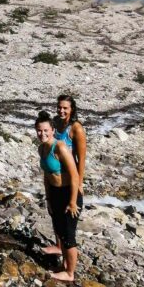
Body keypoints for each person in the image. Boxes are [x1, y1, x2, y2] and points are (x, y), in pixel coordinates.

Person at [35, 110, 82, 281]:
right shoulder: (41, 149)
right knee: (60, 232)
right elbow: (47, 176)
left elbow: (75, 174)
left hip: (69, 193)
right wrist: (48, 199)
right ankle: (64, 266)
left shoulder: (60, 146)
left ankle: (70, 274)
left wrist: (72, 201)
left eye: (46, 130)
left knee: (68, 235)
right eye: (39, 130)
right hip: (55, 194)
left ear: (53, 131)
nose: (42, 133)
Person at [42, 94, 86, 255]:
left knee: (67, 219)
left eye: (65, 108)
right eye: (59, 107)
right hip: (55, 175)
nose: (61, 110)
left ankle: (67, 255)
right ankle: (58, 245)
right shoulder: (55, 123)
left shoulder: (76, 129)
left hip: (69, 177)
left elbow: (81, 159)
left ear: (71, 109)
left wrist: (80, 183)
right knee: (55, 213)